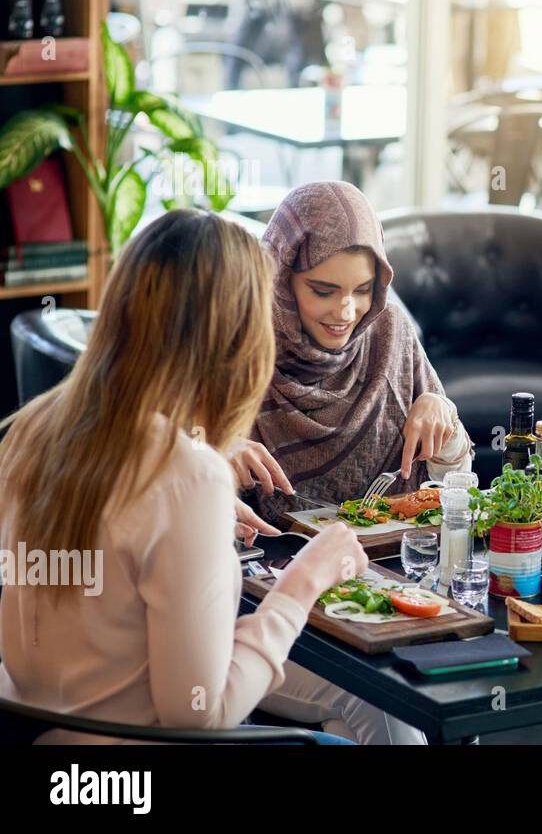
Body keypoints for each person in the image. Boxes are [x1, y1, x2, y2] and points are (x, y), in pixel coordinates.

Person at [0, 210, 368, 743]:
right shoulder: (187, 477)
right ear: (236, 336)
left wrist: (196, 524)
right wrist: (303, 581)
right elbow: (199, 714)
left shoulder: (30, 429)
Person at [228, 181, 471, 744]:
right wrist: (213, 460)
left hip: (382, 601)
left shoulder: (387, 333)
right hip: (266, 616)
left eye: (363, 289)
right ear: (281, 277)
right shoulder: (237, 349)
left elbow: (454, 491)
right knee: (386, 705)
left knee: (440, 699)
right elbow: (165, 487)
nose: (346, 312)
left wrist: (445, 423)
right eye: (323, 289)